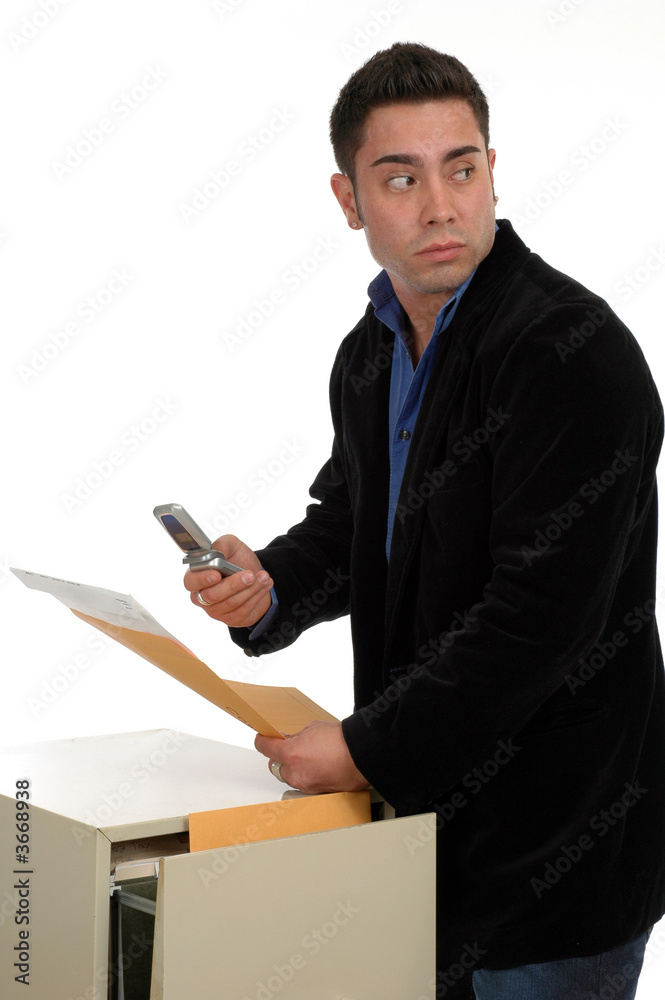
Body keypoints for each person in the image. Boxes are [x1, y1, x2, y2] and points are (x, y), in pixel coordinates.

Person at [184, 43, 665, 1000]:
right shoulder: (369, 352)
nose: (439, 205)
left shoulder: (567, 352)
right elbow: (358, 520)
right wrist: (268, 587)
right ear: (348, 199)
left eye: (462, 168)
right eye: (399, 178)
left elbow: (538, 620)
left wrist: (363, 748)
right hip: (421, 845)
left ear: (491, 171)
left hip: (553, 859)